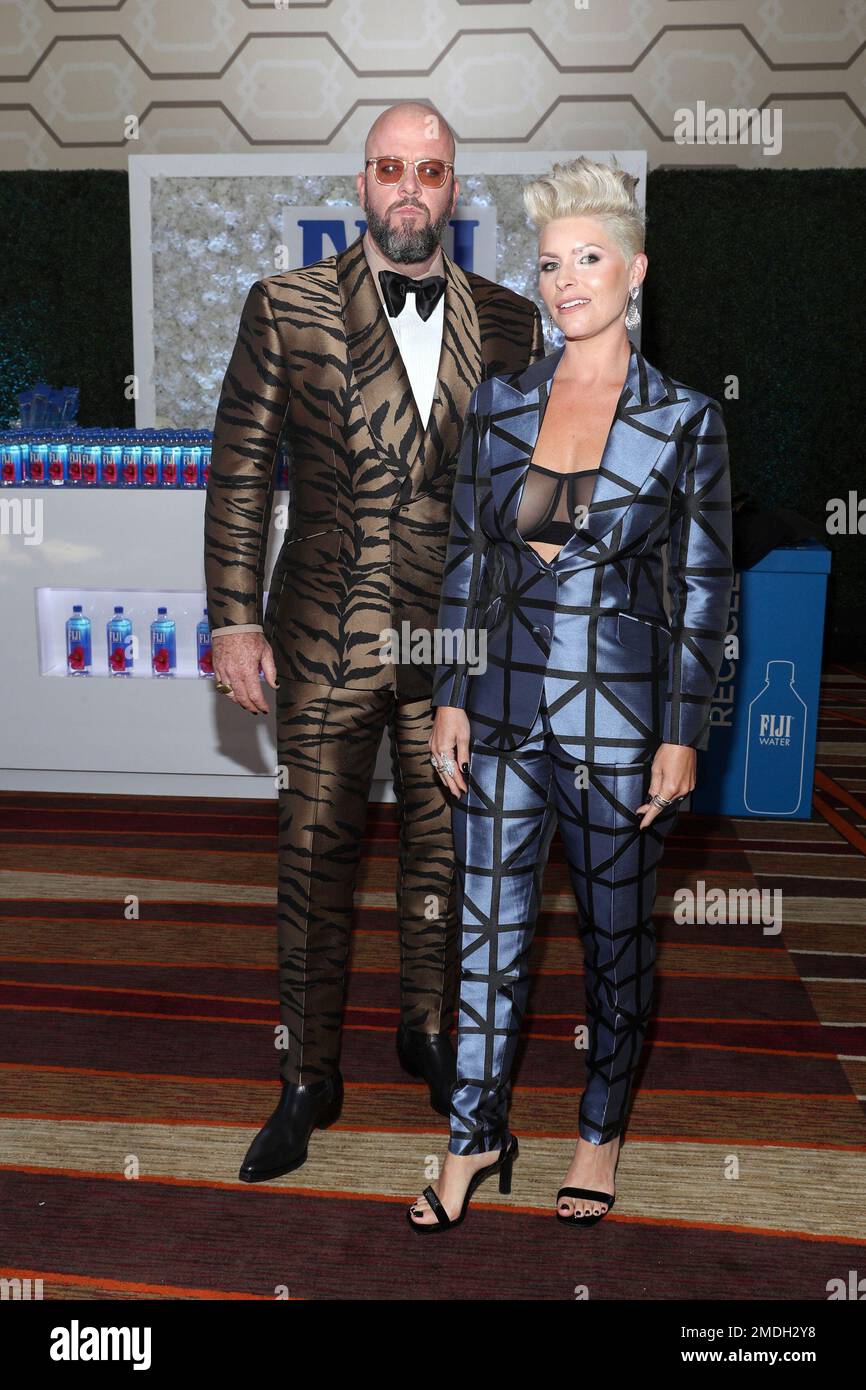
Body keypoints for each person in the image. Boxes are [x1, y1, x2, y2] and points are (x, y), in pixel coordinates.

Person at [203, 101, 544, 1182]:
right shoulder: (284, 307)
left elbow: (524, 502)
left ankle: (428, 1035)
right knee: (312, 852)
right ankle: (306, 1077)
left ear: (454, 190)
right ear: (360, 184)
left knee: (450, 852)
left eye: (430, 170)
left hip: (452, 641)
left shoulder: (511, 322)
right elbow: (241, 470)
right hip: (320, 630)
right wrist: (231, 615)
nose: (409, 188)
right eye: (390, 168)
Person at [407, 155, 733, 1230]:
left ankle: (598, 1134)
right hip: (499, 716)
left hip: (620, 727)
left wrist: (682, 732)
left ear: (632, 269)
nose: (564, 280)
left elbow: (697, 588)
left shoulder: (682, 420)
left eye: (587, 258)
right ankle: (471, 1137)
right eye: (549, 263)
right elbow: (467, 557)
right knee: (485, 938)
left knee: (614, 943)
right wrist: (451, 691)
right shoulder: (500, 404)